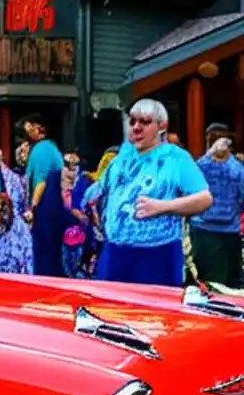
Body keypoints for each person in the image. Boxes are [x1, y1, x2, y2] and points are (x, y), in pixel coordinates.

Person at [83, 99, 213, 287]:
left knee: (153, 314)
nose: (136, 128)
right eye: (132, 121)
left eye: (145, 122)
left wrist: (163, 207)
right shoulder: (119, 159)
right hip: (114, 253)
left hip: (157, 255)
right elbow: (97, 193)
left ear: (162, 126)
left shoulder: (176, 158)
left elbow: (204, 199)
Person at [190, 124, 244, 288]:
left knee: (208, 282)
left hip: (203, 229)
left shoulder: (199, 166)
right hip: (230, 230)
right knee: (230, 283)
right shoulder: (238, 169)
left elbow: (190, 194)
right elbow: (242, 198)